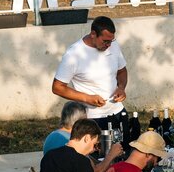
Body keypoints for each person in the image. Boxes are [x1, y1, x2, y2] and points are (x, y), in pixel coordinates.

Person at [52, 16, 140, 149]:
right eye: (105, 41)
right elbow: (57, 87)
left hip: (118, 111)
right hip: (93, 118)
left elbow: (122, 71)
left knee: (125, 151)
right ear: (93, 34)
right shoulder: (74, 54)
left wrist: (121, 87)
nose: (108, 45)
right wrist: (87, 98)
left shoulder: (113, 45)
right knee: (98, 158)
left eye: (111, 41)